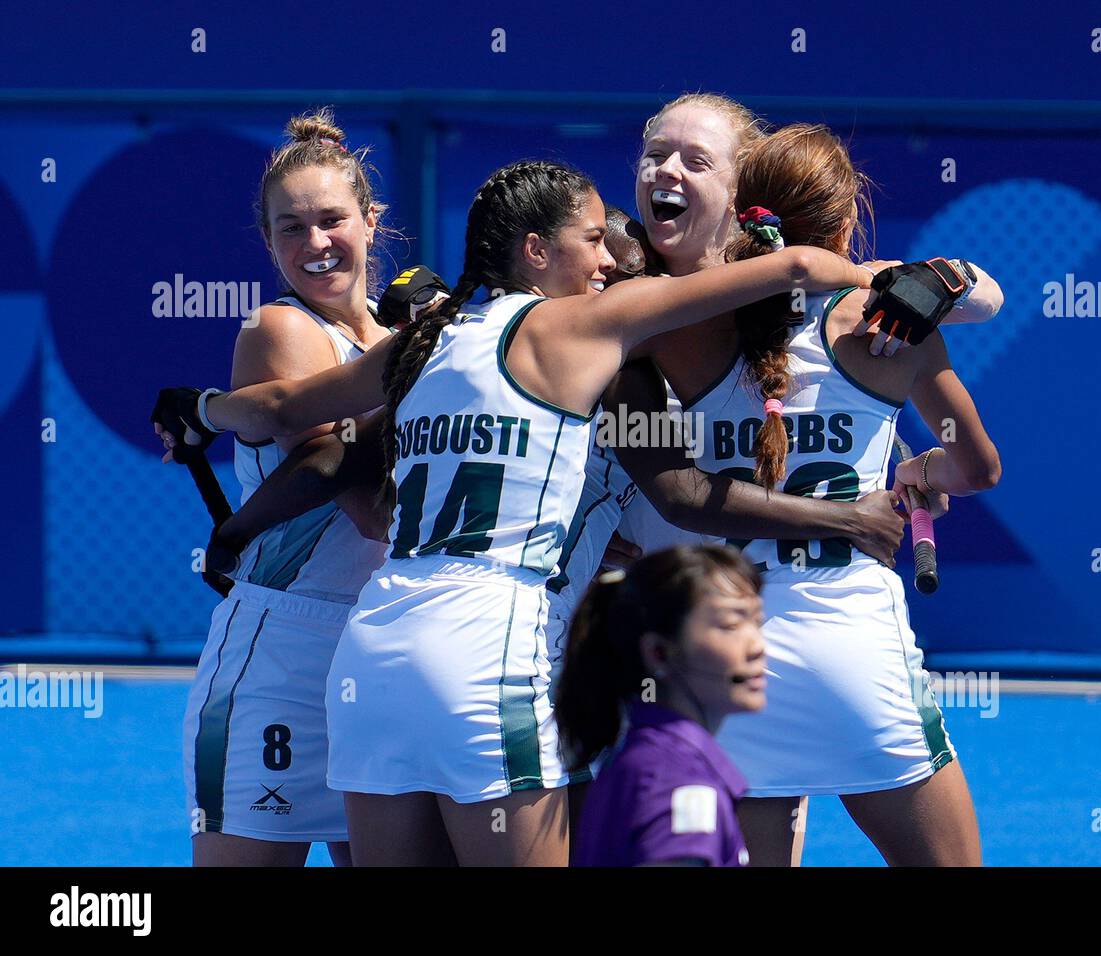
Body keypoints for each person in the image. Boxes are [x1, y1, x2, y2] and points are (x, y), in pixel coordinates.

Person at [153, 158, 876, 865]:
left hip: (375, 645)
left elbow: (289, 413)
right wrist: (881, 282)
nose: (606, 259)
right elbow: (792, 272)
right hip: (485, 638)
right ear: (536, 250)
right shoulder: (584, 327)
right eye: (593, 239)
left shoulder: (425, 340)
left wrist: (205, 415)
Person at [618, 95, 1001, 865]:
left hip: (725, 663)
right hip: (852, 648)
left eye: (695, 160)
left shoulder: (666, 324)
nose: (667, 173)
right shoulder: (888, 322)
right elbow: (979, 467)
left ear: (740, 205)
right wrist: (914, 473)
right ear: (843, 226)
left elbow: (680, 487)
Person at [173, 108, 397, 867]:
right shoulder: (283, 328)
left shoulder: (402, 341)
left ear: (371, 221)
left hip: (383, 654)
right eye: (290, 229)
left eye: (332, 219)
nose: (315, 244)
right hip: (284, 660)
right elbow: (366, 509)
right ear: (267, 243)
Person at [556, 545, 765, 867]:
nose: (758, 646)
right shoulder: (679, 783)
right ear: (658, 652)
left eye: (757, 622)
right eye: (730, 625)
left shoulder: (650, 758)